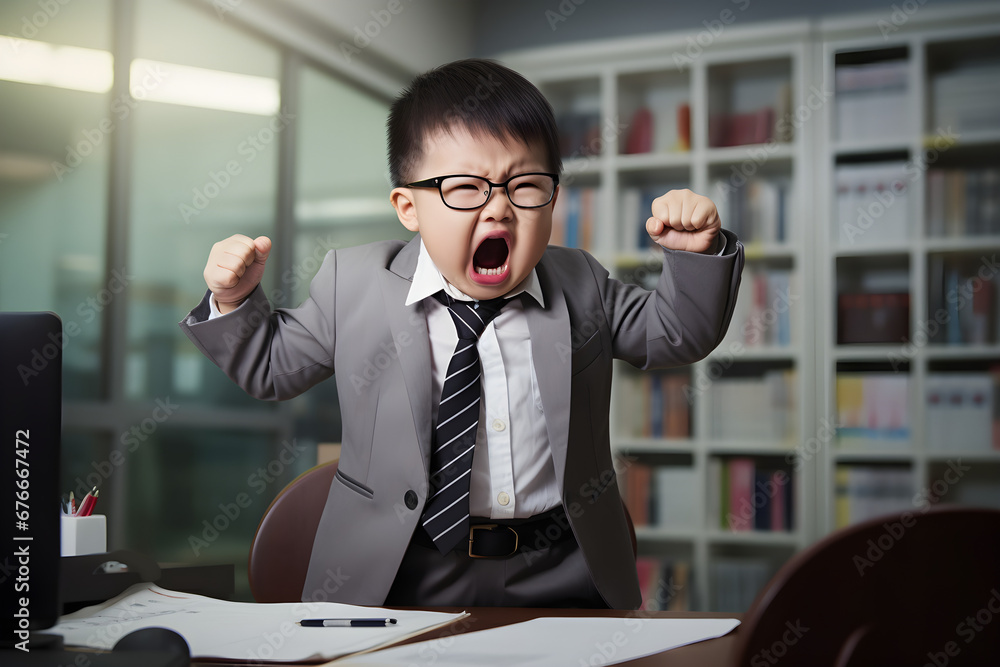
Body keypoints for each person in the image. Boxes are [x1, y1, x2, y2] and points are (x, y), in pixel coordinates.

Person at [179, 58, 744, 609]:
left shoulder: (581, 284)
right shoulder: (351, 284)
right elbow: (271, 368)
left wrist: (697, 257)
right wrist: (233, 300)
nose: (499, 209)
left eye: (525, 186)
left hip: (559, 569)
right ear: (409, 207)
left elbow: (676, 334)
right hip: (401, 569)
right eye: (466, 188)